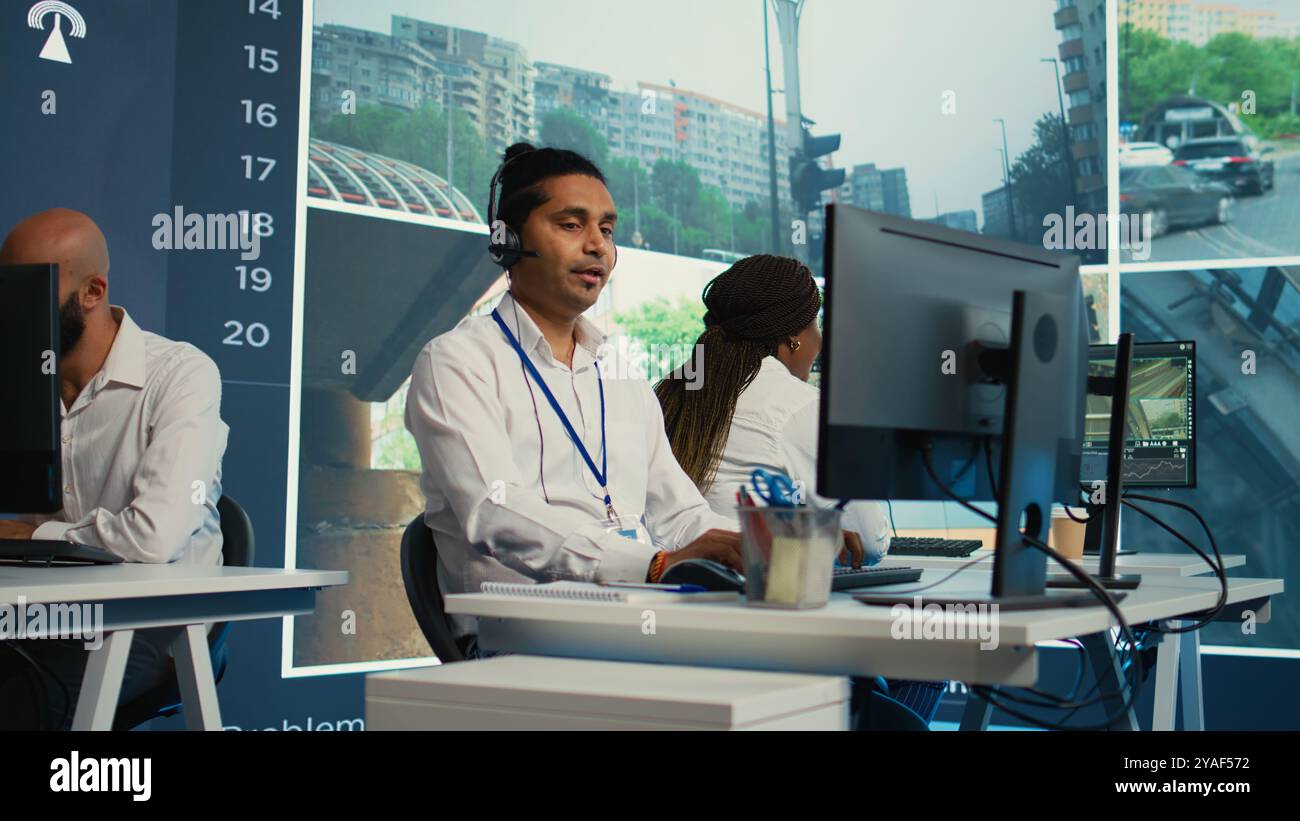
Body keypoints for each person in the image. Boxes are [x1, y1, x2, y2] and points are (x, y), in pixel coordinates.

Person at [404, 144, 740, 656]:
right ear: (507, 241)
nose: (598, 246)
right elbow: (494, 510)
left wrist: (773, 546)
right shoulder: (456, 361)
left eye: (606, 229)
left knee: (847, 679)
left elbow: (680, 515)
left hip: (638, 620)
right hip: (523, 639)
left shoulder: (622, 375)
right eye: (571, 225)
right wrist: (647, 566)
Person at [655, 254, 946, 727]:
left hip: (683, 638)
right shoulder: (798, 405)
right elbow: (870, 543)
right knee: (930, 657)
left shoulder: (668, 392)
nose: (819, 344)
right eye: (817, 328)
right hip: (770, 639)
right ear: (793, 336)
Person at [0, 208, 229, 730]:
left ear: (93, 292)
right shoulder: (18, 376)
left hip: (157, 618)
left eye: (30, 288)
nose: (10, 305)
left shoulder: (181, 376)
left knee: (19, 703)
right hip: (45, 608)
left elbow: (155, 538)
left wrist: (38, 533)